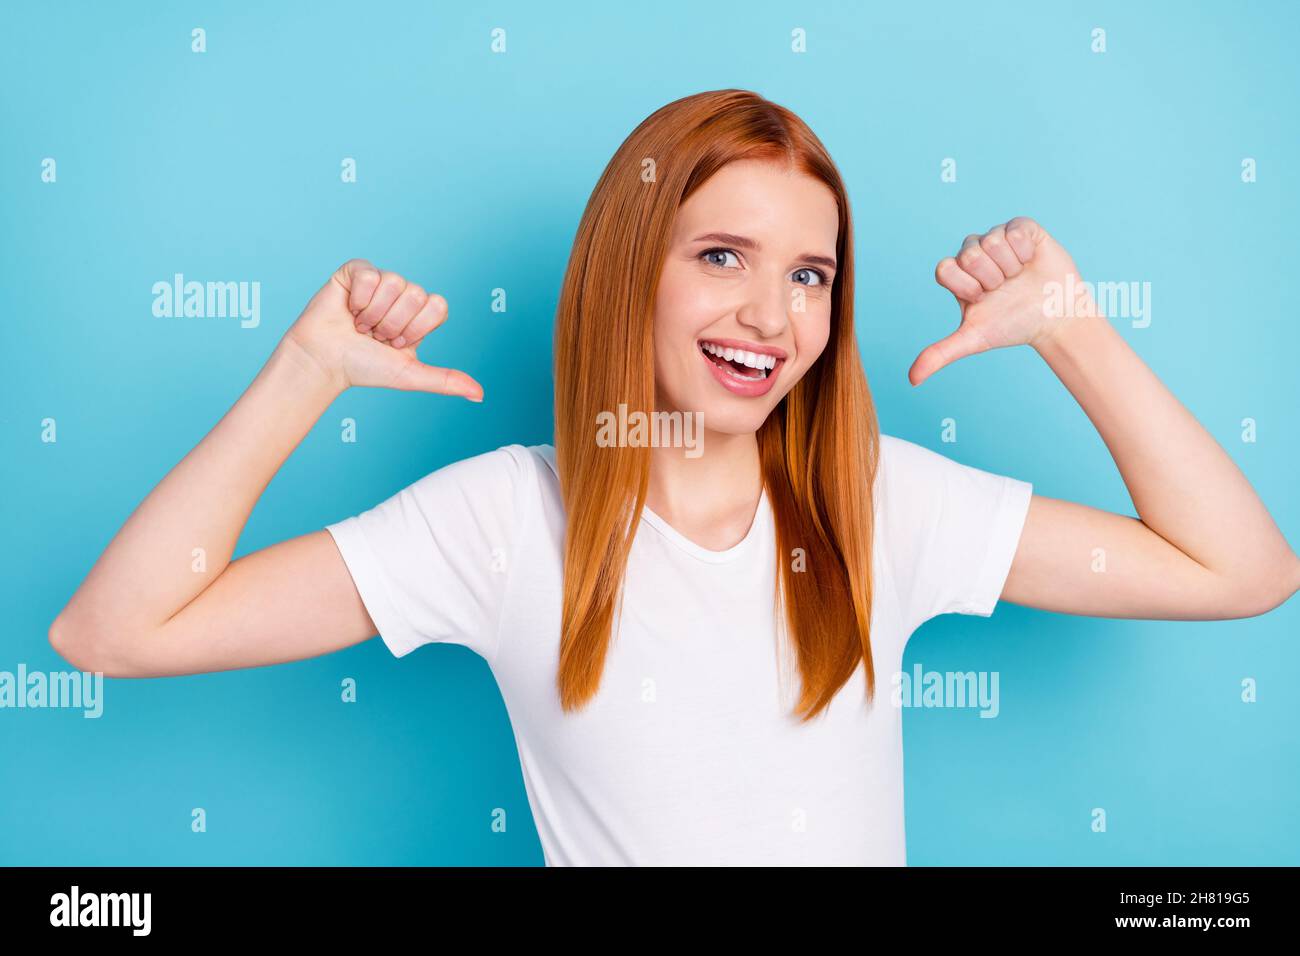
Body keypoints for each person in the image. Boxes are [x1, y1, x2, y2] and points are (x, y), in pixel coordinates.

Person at [48, 89, 1300, 865]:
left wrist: (1075, 325)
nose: (771, 311)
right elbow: (113, 631)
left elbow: (1242, 570)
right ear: (629, 269)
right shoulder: (498, 522)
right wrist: (303, 376)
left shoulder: (878, 505)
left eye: (810, 273)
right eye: (721, 255)